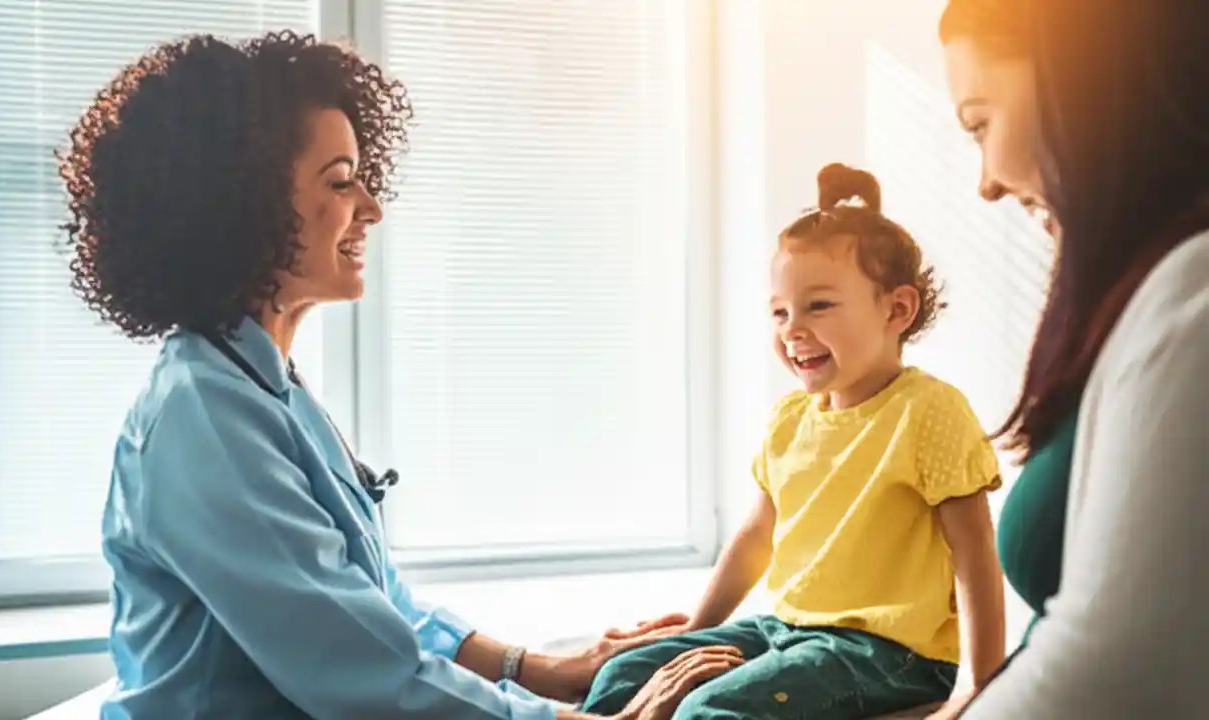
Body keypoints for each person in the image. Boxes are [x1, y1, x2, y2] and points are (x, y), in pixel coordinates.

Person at [62, 31, 743, 720]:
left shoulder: (262, 386)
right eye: (339, 180)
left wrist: (540, 671)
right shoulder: (203, 421)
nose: (372, 206)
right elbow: (364, 675)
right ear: (243, 203)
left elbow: (371, 607)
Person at [580, 164, 1007, 719]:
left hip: (892, 651)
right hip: (787, 628)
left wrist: (977, 683)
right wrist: (698, 624)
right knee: (623, 674)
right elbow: (757, 535)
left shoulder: (928, 411)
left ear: (896, 309)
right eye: (780, 312)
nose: (791, 329)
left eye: (819, 306)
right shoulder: (789, 419)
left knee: (706, 711)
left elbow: (976, 555)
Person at [938, 0, 1209, 717]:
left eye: (981, 124)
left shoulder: (1196, 295)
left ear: (1081, 85)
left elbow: (1116, 673)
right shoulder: (1155, 295)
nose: (987, 180)